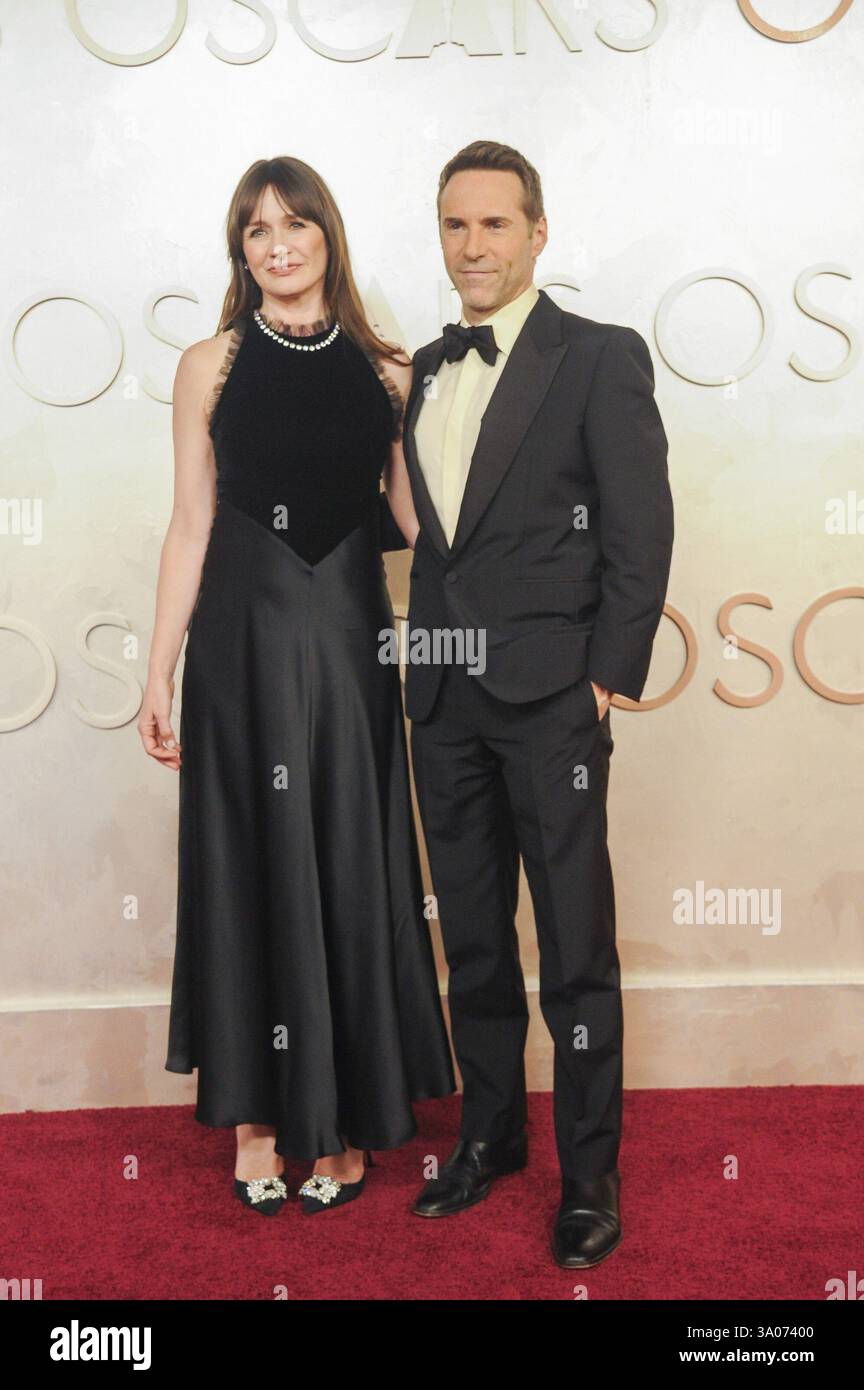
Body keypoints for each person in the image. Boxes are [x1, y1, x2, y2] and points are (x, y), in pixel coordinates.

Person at [138, 155, 455, 1217]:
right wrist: (157, 670)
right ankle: (263, 1121)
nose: (278, 243)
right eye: (256, 229)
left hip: (354, 632)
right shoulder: (210, 364)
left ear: (328, 234)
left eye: (296, 223)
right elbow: (190, 523)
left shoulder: (389, 370)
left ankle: (352, 1118)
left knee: (353, 860)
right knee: (252, 861)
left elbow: (416, 525)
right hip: (240, 639)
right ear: (242, 249)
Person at [401, 141, 674, 1267]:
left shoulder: (598, 357)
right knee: (469, 942)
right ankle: (492, 1138)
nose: (473, 246)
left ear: (538, 233)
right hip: (443, 691)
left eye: (495, 226)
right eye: (456, 226)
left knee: (574, 953)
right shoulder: (422, 363)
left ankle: (590, 1177)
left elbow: (639, 527)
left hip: (554, 696)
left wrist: (605, 676)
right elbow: (435, 534)